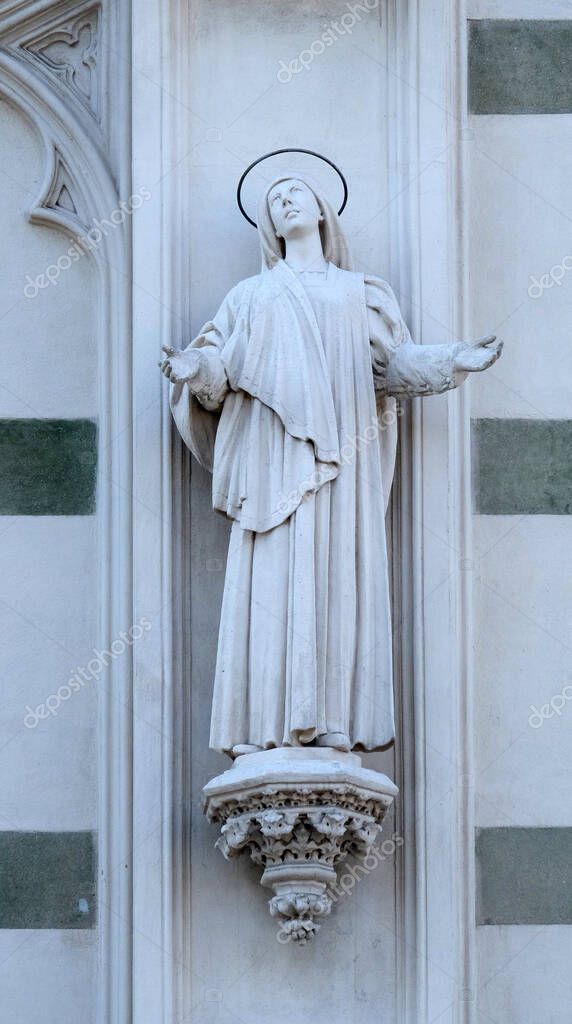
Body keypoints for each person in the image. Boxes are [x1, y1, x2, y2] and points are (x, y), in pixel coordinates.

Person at [160, 174, 502, 758]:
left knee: (337, 579)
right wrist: (196, 370)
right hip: (272, 466)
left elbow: (391, 366)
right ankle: (263, 725)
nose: (285, 201)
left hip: (343, 464)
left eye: (294, 191)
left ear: (321, 209)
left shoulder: (359, 292)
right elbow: (219, 373)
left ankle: (335, 719)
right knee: (272, 585)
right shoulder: (250, 296)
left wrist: (453, 362)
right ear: (268, 225)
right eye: (273, 200)